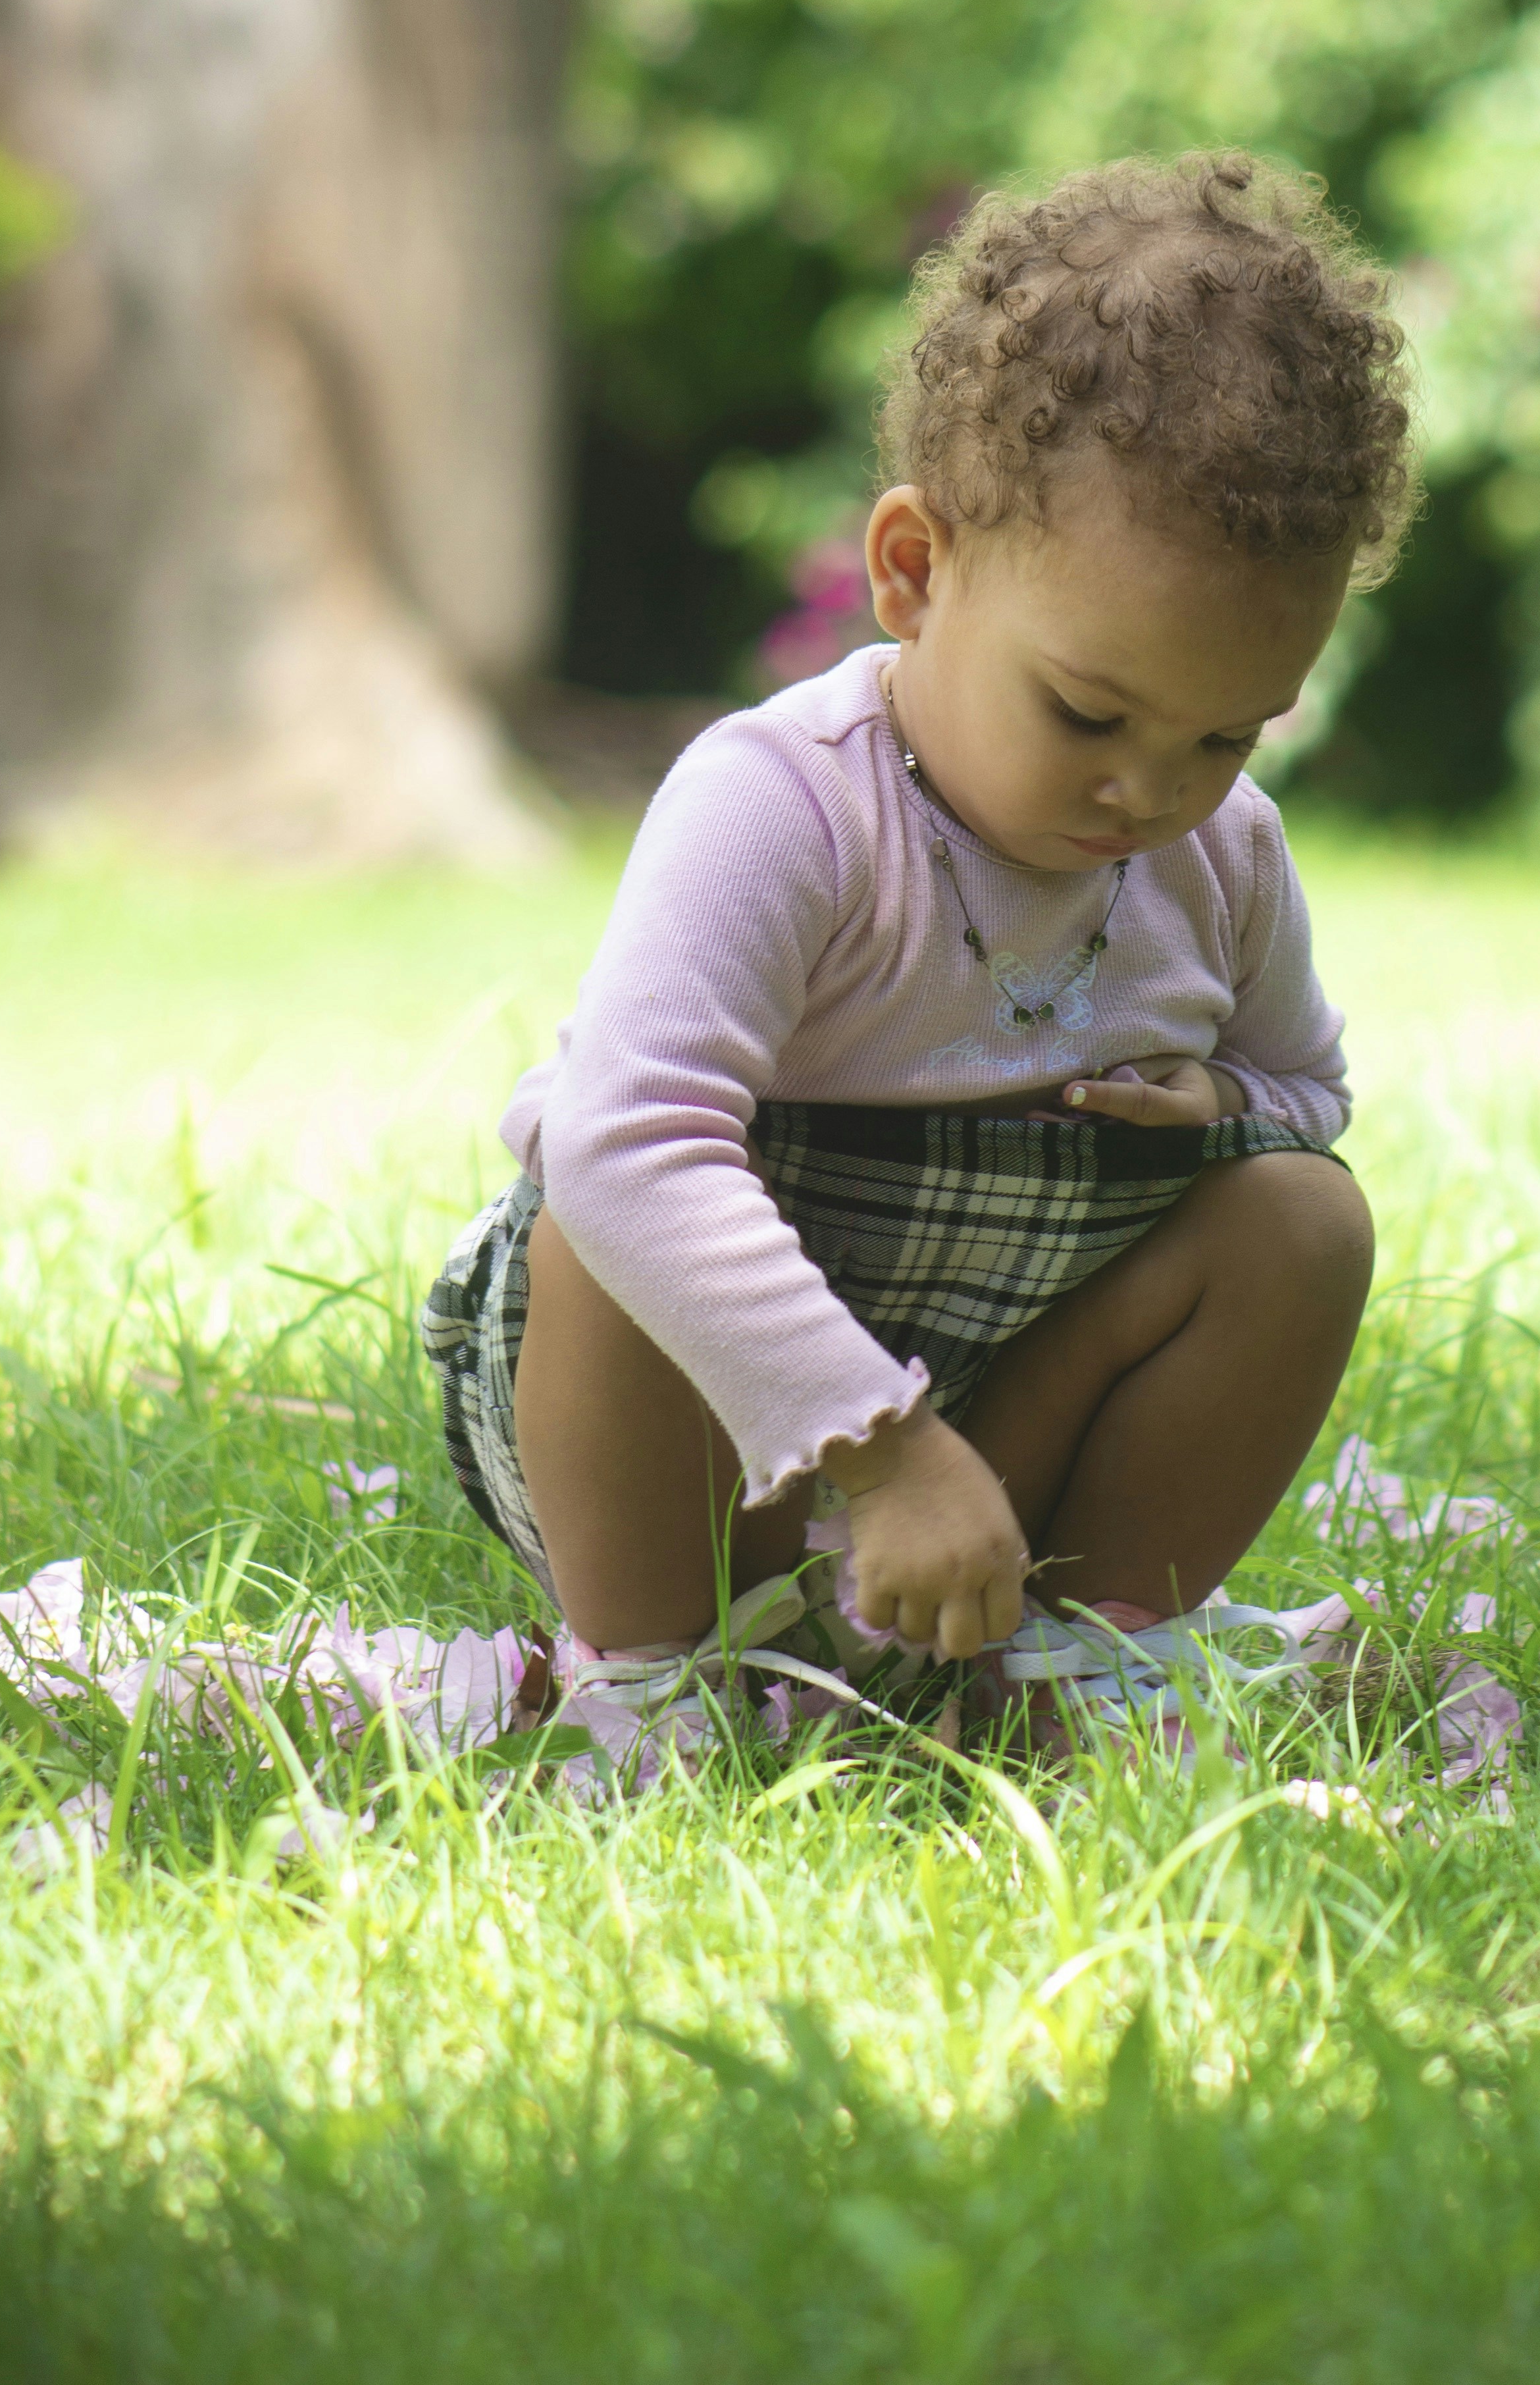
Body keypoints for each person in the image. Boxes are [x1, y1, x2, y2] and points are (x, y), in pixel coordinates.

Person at [421, 149, 1418, 1757]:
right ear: (912, 570)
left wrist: (1220, 1103)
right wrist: (877, 1448)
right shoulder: (787, 810)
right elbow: (624, 1145)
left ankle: (1071, 1663)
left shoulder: (1218, 859)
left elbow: (1309, 1091)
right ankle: (653, 1690)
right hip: (688, 1444)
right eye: (1089, 713)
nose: (1148, 790)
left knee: (1301, 1223)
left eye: (1228, 733)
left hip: (987, 1402)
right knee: (599, 1206)